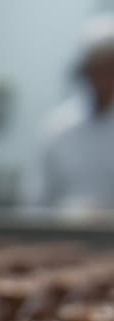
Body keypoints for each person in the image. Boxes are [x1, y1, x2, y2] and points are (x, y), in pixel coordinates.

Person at [29, 15, 114, 210]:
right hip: (63, 236)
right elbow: (37, 200)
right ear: (85, 71)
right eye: (99, 68)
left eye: (110, 67)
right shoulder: (57, 128)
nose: (105, 77)